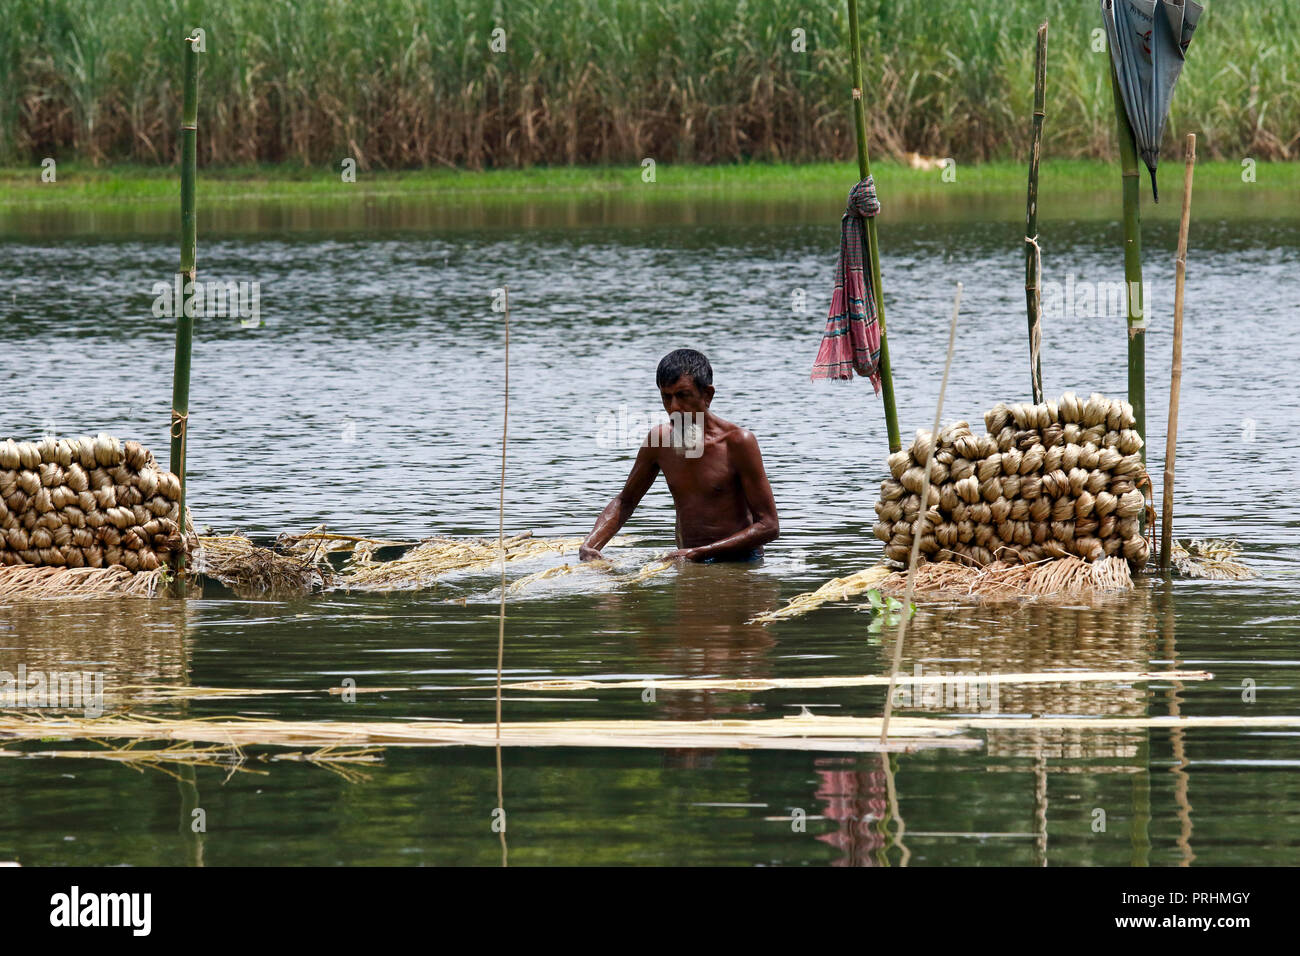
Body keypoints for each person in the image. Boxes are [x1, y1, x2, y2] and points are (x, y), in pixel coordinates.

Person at [580, 348, 779, 563]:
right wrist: (590, 545)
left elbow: (768, 526)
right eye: (666, 397)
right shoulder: (659, 441)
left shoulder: (738, 442)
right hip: (687, 558)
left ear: (707, 395)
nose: (673, 407)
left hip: (739, 561)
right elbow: (626, 500)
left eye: (682, 396)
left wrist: (701, 552)